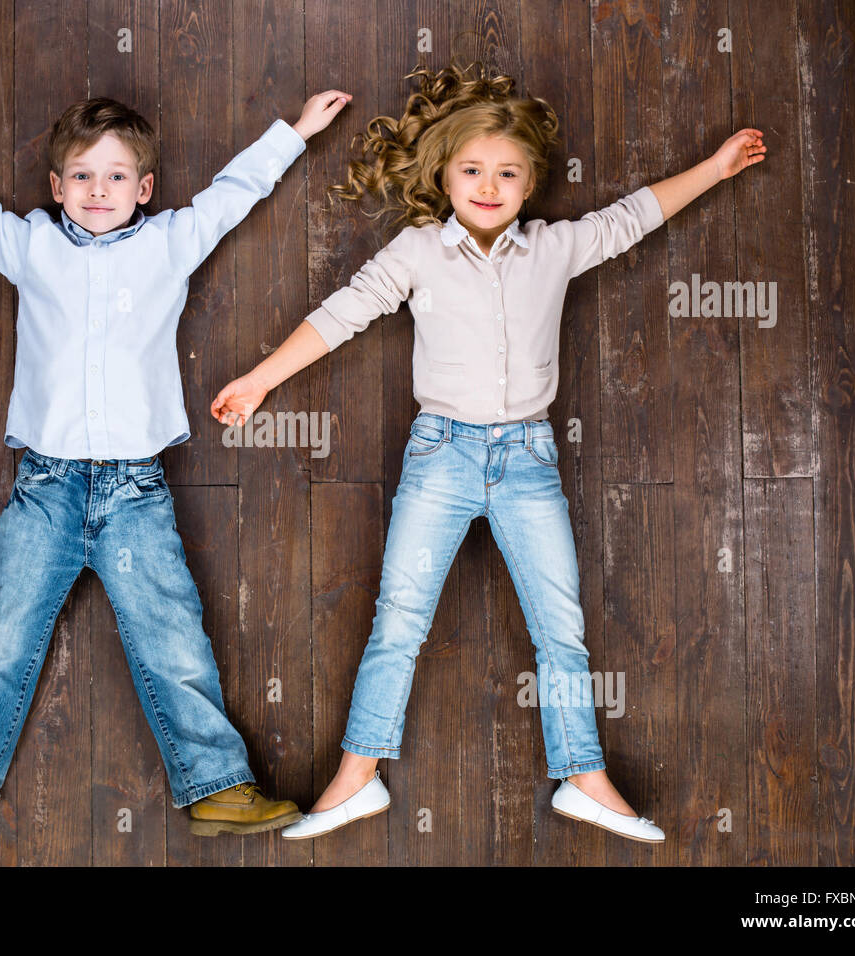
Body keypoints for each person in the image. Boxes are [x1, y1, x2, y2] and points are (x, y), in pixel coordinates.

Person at [211, 61, 765, 842]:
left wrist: (713, 167)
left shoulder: (556, 248)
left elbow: (637, 215)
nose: (488, 183)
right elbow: (341, 314)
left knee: (560, 625)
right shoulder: (416, 252)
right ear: (445, 173)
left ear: (531, 183)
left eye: (507, 172)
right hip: (440, 455)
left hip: (529, 459)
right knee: (398, 619)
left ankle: (584, 776)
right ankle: (355, 778)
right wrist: (260, 381)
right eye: (472, 168)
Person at [0, 88, 354, 835]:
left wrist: (296, 132)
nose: (96, 191)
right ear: (55, 187)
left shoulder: (171, 241)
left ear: (144, 190)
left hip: (137, 488)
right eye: (80, 176)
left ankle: (219, 786)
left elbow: (237, 192)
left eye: (114, 177)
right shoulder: (31, 245)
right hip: (47, 485)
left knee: (174, 637)